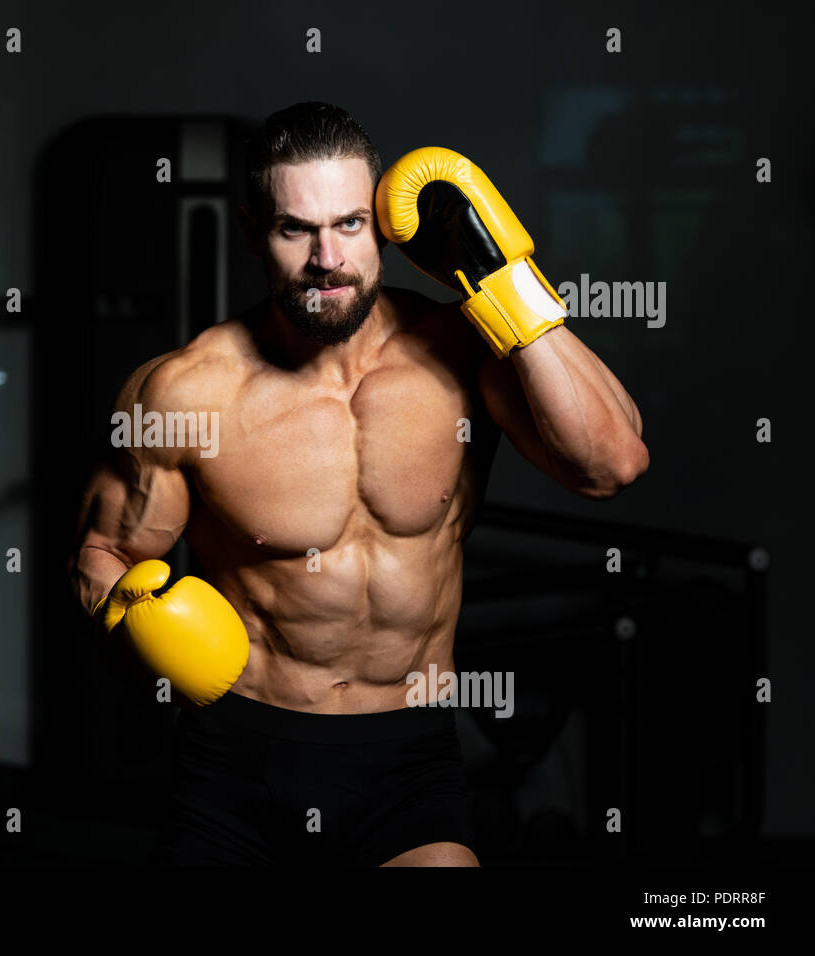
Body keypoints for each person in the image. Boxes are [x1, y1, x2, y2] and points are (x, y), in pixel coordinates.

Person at [68, 101, 649, 866]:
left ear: (382, 228)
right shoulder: (188, 394)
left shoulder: (462, 352)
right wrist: (132, 622)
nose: (327, 258)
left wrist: (504, 280)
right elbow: (103, 550)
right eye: (294, 229)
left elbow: (610, 466)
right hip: (237, 763)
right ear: (252, 233)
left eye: (348, 224)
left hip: (408, 762)